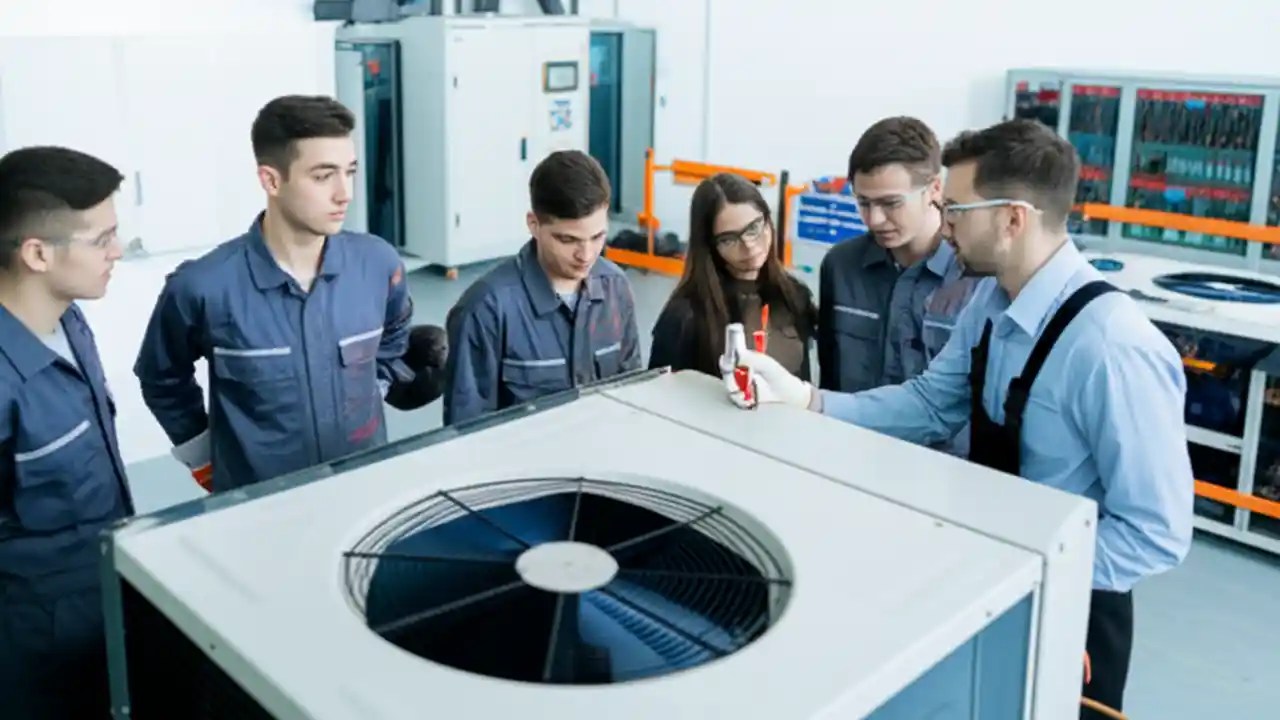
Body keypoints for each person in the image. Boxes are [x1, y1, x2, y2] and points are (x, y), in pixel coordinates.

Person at [727, 119, 1193, 718]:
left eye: (957, 210)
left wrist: (1030, 571)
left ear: (1013, 219)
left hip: (1076, 605)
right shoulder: (991, 304)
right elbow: (929, 403)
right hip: (992, 579)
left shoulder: (1113, 347)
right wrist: (806, 401)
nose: (944, 225)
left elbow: (1156, 532)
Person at [134, 95, 414, 493]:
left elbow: (395, 334)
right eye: (323, 176)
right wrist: (203, 457)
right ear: (271, 181)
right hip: (258, 501)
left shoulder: (378, 264)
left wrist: (373, 391)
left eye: (349, 172)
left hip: (361, 484)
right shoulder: (203, 287)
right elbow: (161, 377)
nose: (344, 193)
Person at [0, 146, 133, 719]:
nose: (117, 251)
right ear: (37, 253)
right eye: (101, 239)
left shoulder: (68, 319)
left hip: (101, 594)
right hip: (32, 640)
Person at [818, 116, 980, 454]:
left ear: (934, 189)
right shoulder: (841, 267)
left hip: (945, 474)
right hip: (848, 459)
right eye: (863, 202)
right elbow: (830, 378)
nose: (874, 219)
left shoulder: (978, 280)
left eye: (891, 203)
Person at [443, 150, 641, 425]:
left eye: (597, 237)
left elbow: (633, 395)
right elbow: (467, 428)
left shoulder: (616, 289)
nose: (586, 255)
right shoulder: (486, 310)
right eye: (568, 240)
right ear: (534, 224)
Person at [649, 173, 816, 379]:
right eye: (729, 239)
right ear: (709, 245)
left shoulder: (794, 296)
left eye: (753, 228)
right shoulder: (685, 316)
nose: (749, 245)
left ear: (767, 221)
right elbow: (658, 392)